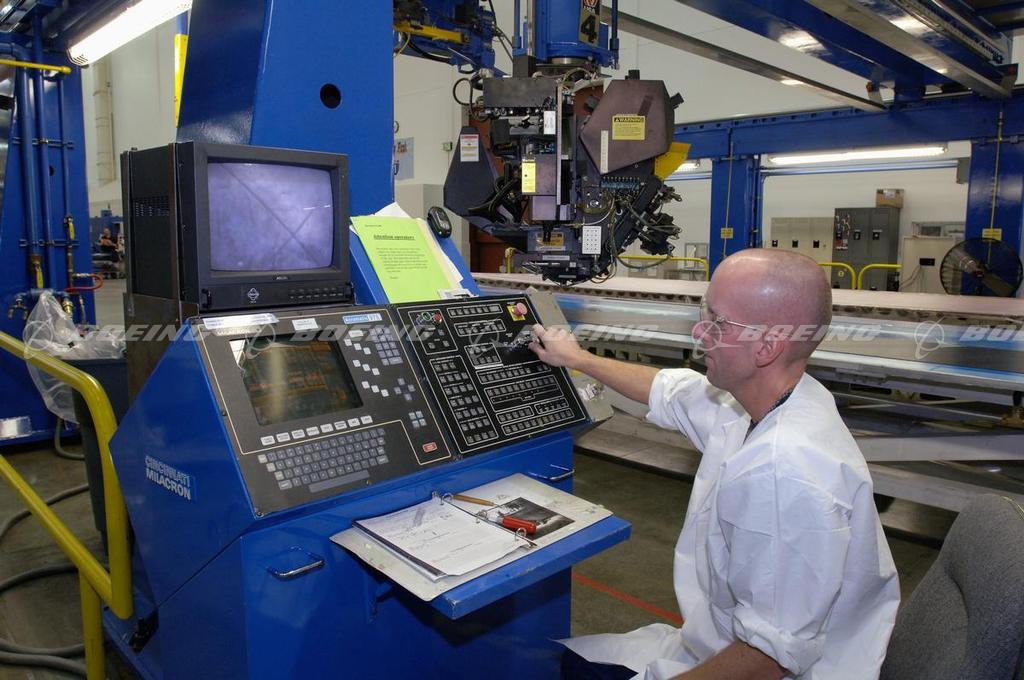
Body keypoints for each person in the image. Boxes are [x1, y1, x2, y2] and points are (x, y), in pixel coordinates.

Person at [529, 249, 900, 680]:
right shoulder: (769, 399)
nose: (699, 332)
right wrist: (577, 359)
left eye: (718, 323)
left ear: (766, 347)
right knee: (565, 662)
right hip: (717, 643)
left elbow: (767, 659)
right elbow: (669, 391)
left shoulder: (787, 472)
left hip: (776, 671)